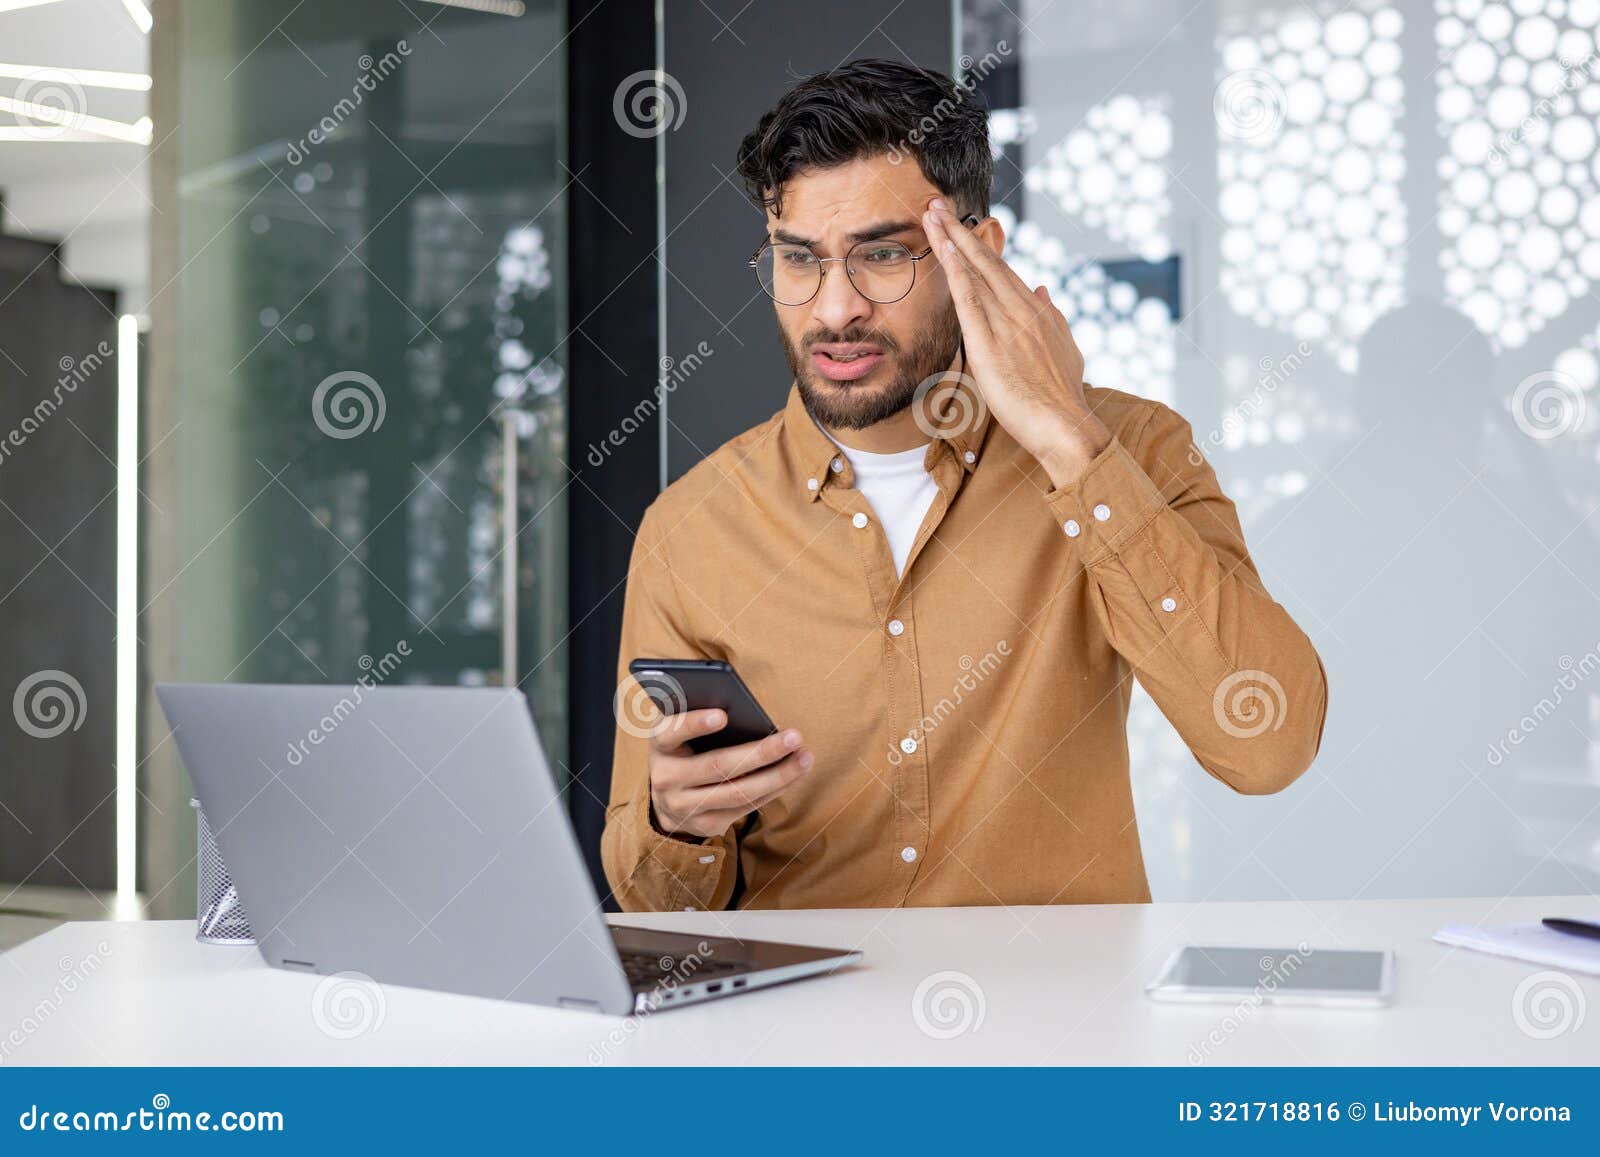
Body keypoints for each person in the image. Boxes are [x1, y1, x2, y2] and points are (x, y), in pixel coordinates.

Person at [602, 58, 1327, 911]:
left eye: (882, 256)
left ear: (979, 254)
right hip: (808, 1000)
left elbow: (1269, 747)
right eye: (800, 260)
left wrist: (1071, 443)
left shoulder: (1129, 449)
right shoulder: (690, 529)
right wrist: (675, 823)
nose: (834, 310)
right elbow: (659, 914)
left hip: (1059, 999)